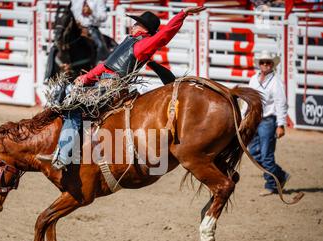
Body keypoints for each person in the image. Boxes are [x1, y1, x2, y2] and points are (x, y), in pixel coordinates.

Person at [40, 6, 206, 171]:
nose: (133, 25)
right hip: (105, 83)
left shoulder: (143, 44)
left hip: (112, 86)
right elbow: (106, 65)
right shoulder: (130, 41)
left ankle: (62, 156)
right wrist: (85, 78)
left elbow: (165, 34)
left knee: (73, 106)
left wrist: (182, 14)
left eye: (136, 24)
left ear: (144, 29)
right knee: (67, 97)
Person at [247, 51, 290, 196]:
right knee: (254, 154)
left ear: (272, 65)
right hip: (255, 120)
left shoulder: (276, 82)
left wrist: (280, 124)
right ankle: (280, 176)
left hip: (268, 121)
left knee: (266, 156)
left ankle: (272, 184)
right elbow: (249, 100)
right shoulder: (253, 79)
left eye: (268, 62)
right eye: (263, 62)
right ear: (259, 64)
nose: (265, 65)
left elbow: (280, 103)